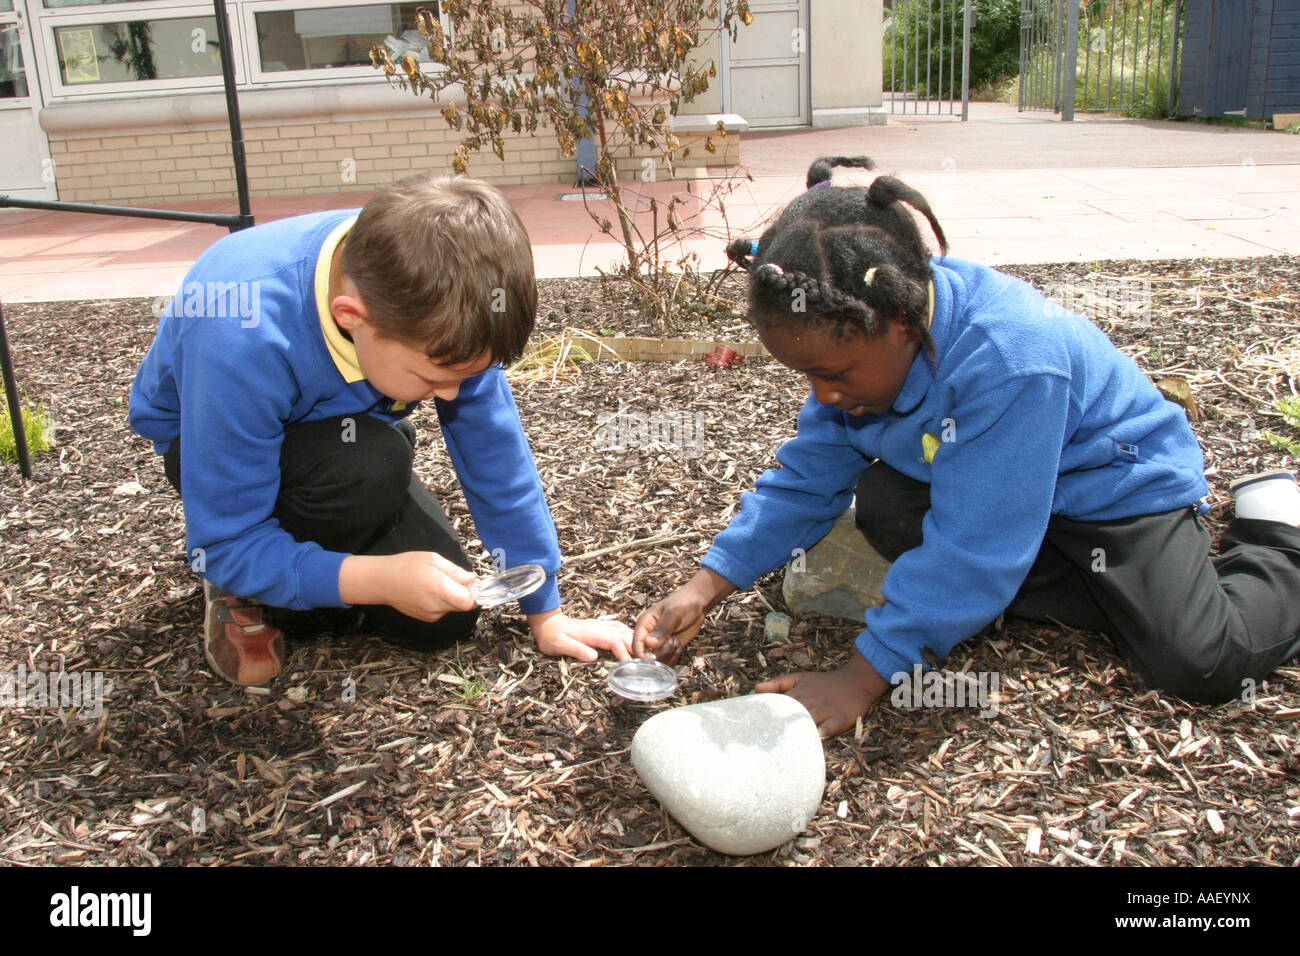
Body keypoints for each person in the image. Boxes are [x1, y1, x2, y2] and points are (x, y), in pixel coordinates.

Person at [632, 156, 1300, 738]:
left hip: (1115, 493)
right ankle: (1085, 588)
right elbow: (808, 478)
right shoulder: (857, 337)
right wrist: (706, 585)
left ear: (901, 323)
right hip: (1002, 488)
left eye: (832, 376)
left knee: (1196, 661)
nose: (823, 396)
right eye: (807, 377)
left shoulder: (1011, 359)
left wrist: (863, 678)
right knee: (888, 511)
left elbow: (975, 543)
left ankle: (1278, 532)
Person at [130, 172, 632, 686]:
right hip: (212, 446)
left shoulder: (442, 305)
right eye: (433, 379)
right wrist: (375, 578)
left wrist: (544, 611)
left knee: (446, 620)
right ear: (351, 317)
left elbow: (496, 459)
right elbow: (226, 539)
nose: (456, 396)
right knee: (366, 466)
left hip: (351, 441)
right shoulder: (240, 332)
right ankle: (241, 589)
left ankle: (306, 559)